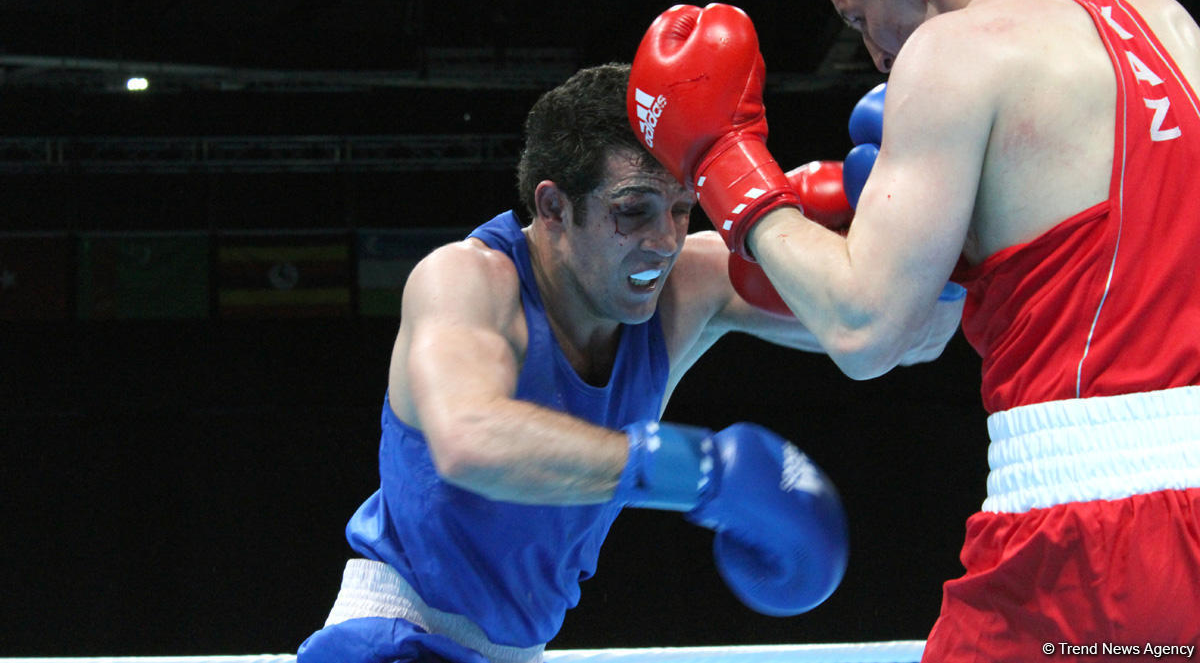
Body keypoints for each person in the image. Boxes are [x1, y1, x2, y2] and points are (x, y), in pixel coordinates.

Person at [624, 0, 1200, 658]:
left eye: (862, 17)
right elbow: (950, 323)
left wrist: (725, 165)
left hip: (1090, 532)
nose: (875, 53)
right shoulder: (1166, 19)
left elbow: (866, 330)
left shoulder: (956, 49)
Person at [296, 62, 957, 663]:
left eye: (680, 208)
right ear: (554, 207)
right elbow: (469, 441)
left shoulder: (690, 284)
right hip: (397, 635)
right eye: (633, 210)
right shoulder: (466, 281)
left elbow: (907, 336)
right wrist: (693, 470)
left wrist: (936, 229)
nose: (664, 240)